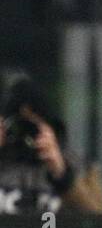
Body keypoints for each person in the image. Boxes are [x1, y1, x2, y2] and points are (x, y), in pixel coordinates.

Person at [0, 79, 81, 215]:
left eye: (33, 126)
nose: (26, 133)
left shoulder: (76, 163)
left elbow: (100, 222)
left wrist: (61, 173)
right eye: (19, 126)